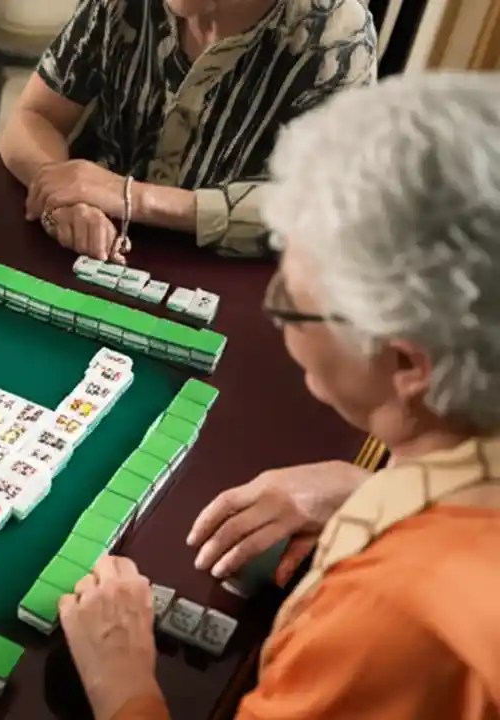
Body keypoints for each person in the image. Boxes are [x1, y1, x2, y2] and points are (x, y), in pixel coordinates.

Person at [59, 73, 500, 719]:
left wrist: (122, 683)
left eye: (294, 300)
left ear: (407, 363)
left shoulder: (397, 619)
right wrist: (367, 488)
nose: (273, 310)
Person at [0, 0, 375, 262]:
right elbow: (35, 115)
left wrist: (135, 197)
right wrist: (62, 193)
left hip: (228, 279)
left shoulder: (335, 31)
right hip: (94, 246)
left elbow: (325, 208)